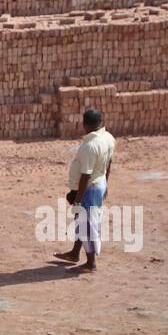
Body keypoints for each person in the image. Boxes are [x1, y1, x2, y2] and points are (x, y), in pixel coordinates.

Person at [54, 107, 116, 273]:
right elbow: (109, 163)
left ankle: (91, 263)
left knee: (87, 224)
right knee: (84, 222)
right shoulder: (108, 138)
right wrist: (106, 185)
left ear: (85, 125)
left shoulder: (90, 146)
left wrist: (79, 199)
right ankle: (74, 254)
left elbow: (85, 176)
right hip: (99, 183)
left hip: (89, 187)